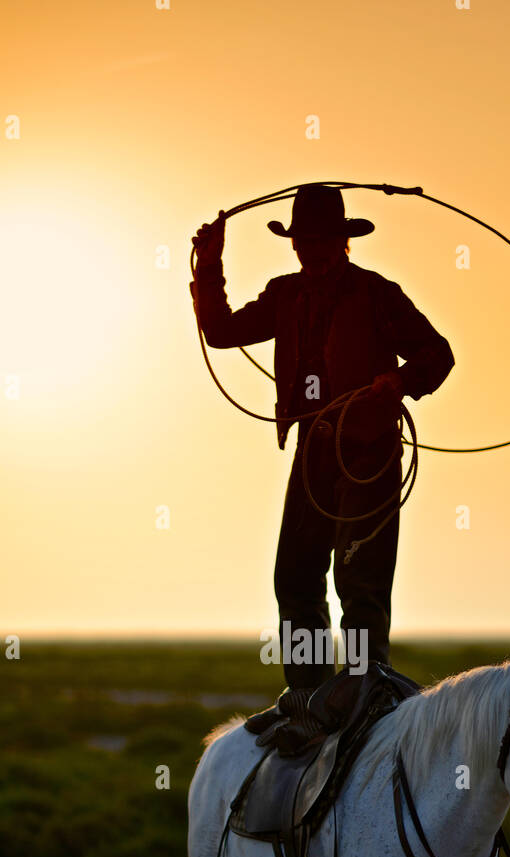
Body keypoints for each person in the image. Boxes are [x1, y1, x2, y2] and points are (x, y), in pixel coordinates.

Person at [190, 183, 454, 746]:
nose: (310, 249)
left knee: (358, 579)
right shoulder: (285, 297)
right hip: (314, 450)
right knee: (296, 575)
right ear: (295, 244)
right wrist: (209, 268)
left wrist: (399, 383)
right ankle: (310, 699)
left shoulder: (377, 294)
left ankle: (364, 698)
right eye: (303, 240)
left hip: (369, 451)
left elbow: (438, 352)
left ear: (341, 241)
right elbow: (221, 331)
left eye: (320, 239)